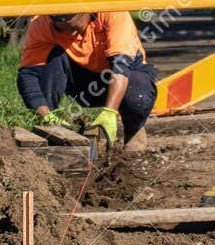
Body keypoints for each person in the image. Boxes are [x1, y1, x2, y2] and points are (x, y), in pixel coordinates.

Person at [16, 11, 160, 152]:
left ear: (85, 13)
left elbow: (121, 66)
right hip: (83, 85)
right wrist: (43, 113)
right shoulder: (41, 22)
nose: (71, 35)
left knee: (137, 96)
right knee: (51, 56)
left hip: (124, 77)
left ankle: (134, 129)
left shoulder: (114, 13)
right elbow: (29, 74)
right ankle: (50, 127)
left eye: (75, 28)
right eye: (62, 30)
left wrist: (109, 112)